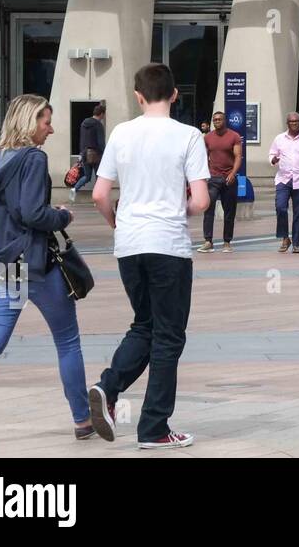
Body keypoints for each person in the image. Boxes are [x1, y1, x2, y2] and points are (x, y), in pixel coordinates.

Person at [0, 95, 89, 446]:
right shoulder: (34, 159)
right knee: (67, 340)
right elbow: (32, 214)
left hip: (6, 262)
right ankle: (83, 420)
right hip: (35, 264)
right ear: (29, 122)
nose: (51, 129)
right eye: (46, 122)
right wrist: (63, 216)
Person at [88, 63, 210, 450]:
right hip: (168, 245)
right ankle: (154, 427)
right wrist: (178, 209)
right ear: (175, 94)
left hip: (129, 244)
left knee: (145, 325)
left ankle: (107, 387)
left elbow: (99, 195)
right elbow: (202, 200)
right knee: (169, 336)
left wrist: (117, 222)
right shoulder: (189, 136)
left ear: (138, 96)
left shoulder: (121, 133)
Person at [269, 112, 299, 253]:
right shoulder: (279, 139)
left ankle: (296, 243)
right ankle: (285, 237)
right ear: (287, 123)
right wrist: (273, 160)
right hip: (283, 179)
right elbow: (272, 154)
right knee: (280, 207)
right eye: (292, 121)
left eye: (297, 121)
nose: (294, 124)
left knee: (298, 213)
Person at [199, 110, 243, 253]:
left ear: (225, 121)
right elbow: (203, 157)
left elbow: (238, 156)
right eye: (215, 120)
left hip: (229, 179)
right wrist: (204, 174)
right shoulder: (208, 138)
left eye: (219, 119)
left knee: (229, 211)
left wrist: (233, 173)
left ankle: (227, 242)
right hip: (213, 178)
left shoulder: (234, 136)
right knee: (208, 208)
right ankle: (208, 241)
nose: (217, 121)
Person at [69, 103, 105, 204]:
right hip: (95, 154)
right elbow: (100, 142)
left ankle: (74, 190)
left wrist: (81, 153)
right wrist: (105, 153)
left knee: (87, 177)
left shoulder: (84, 124)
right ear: (101, 114)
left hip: (84, 154)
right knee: (99, 177)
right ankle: (97, 200)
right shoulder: (98, 125)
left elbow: (82, 140)